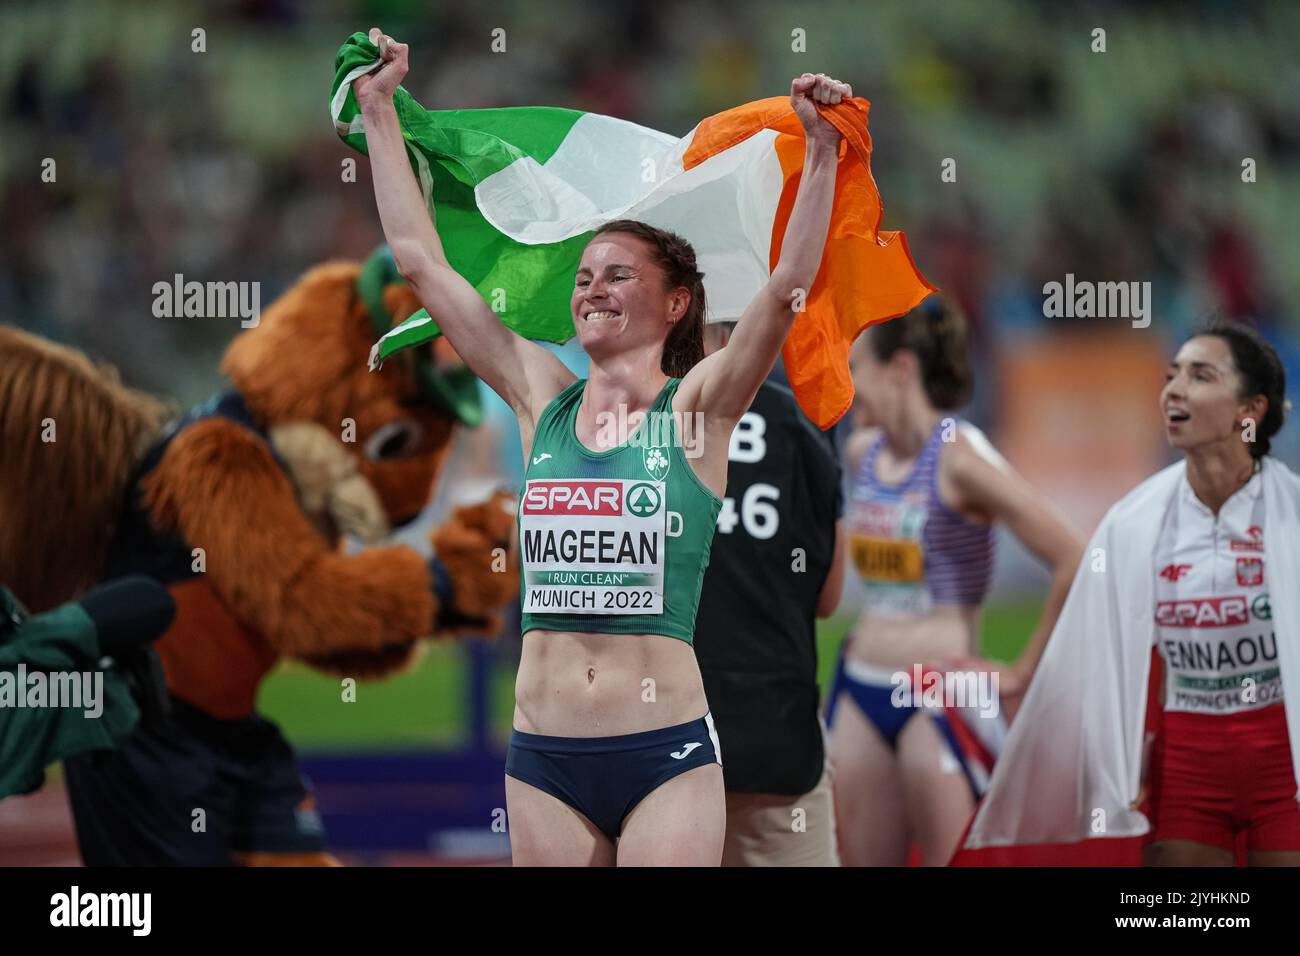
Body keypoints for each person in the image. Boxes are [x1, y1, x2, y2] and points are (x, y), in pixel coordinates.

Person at [353, 27, 851, 865]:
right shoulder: (539, 396)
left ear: (677, 304)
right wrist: (376, 112)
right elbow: (422, 263)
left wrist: (825, 154)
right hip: (543, 758)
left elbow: (783, 295)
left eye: (618, 274)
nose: (592, 288)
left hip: (664, 756)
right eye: (584, 276)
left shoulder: (696, 412)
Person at [963, 319, 1300, 867]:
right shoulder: (1133, 524)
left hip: (1285, 764)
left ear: (1250, 411)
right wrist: (1119, 747)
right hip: (1186, 763)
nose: (1173, 389)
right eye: (1172, 375)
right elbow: (1098, 652)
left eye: (1200, 375)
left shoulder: (1292, 512)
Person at [828, 296, 1083, 866]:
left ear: (901, 370)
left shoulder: (961, 459)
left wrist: (1022, 673)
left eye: (856, 368)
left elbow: (1073, 555)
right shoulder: (861, 452)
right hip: (859, 687)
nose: (848, 386)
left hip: (935, 696)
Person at [692, 321, 846, 866]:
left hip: (665, 744)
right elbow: (828, 596)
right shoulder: (805, 418)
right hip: (778, 735)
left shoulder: (646, 419)